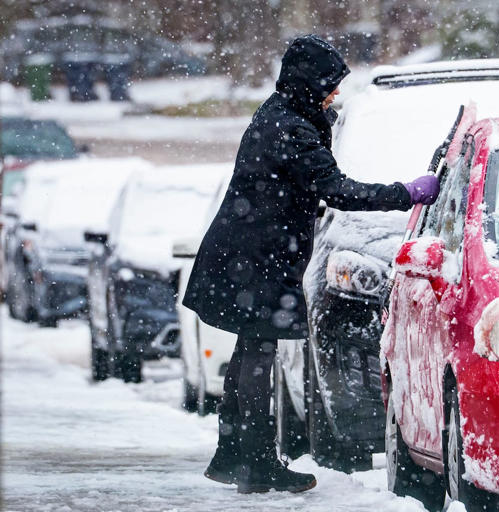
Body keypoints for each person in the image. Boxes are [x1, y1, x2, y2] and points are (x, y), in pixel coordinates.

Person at [182, 34, 439, 494]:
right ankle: (257, 465)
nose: (334, 94)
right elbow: (339, 191)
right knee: (258, 358)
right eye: (328, 85)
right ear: (307, 84)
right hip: (256, 260)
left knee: (251, 353)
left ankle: (235, 456)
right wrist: (405, 192)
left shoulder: (280, 114)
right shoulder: (292, 130)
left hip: (248, 253)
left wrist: (321, 119)